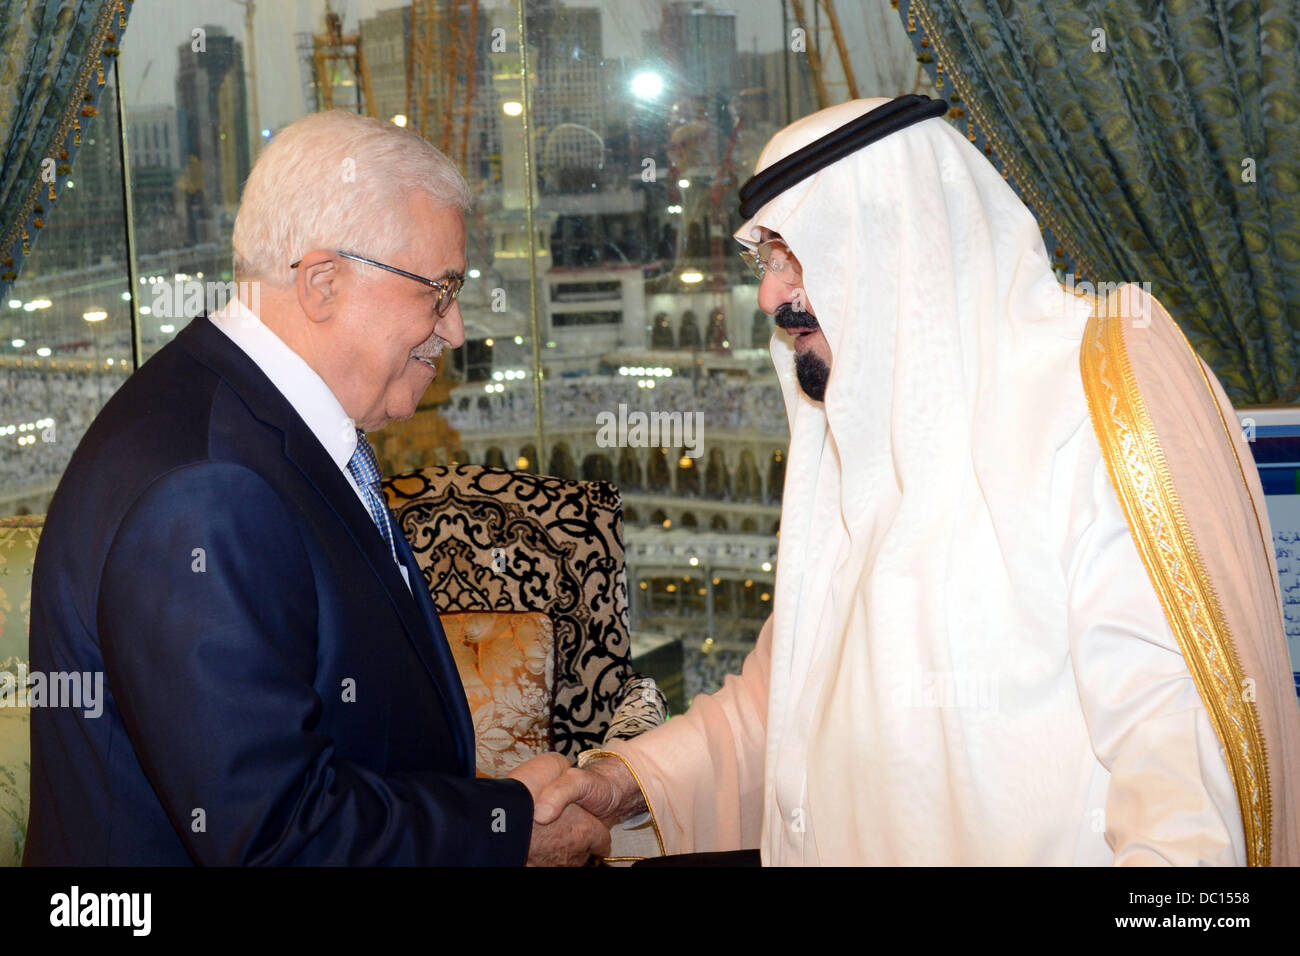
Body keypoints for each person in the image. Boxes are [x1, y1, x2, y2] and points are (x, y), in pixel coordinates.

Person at [534, 96, 1300, 865]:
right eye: (765, 259)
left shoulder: (1087, 406)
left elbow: (1186, 798)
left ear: (896, 245)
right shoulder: (859, 434)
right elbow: (786, 704)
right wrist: (617, 783)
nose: (771, 296)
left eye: (794, 254)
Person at [23, 111, 608, 866]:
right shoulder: (207, 491)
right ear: (324, 282)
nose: (456, 327)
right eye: (440, 289)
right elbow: (272, 837)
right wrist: (501, 831)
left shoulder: (245, 421)